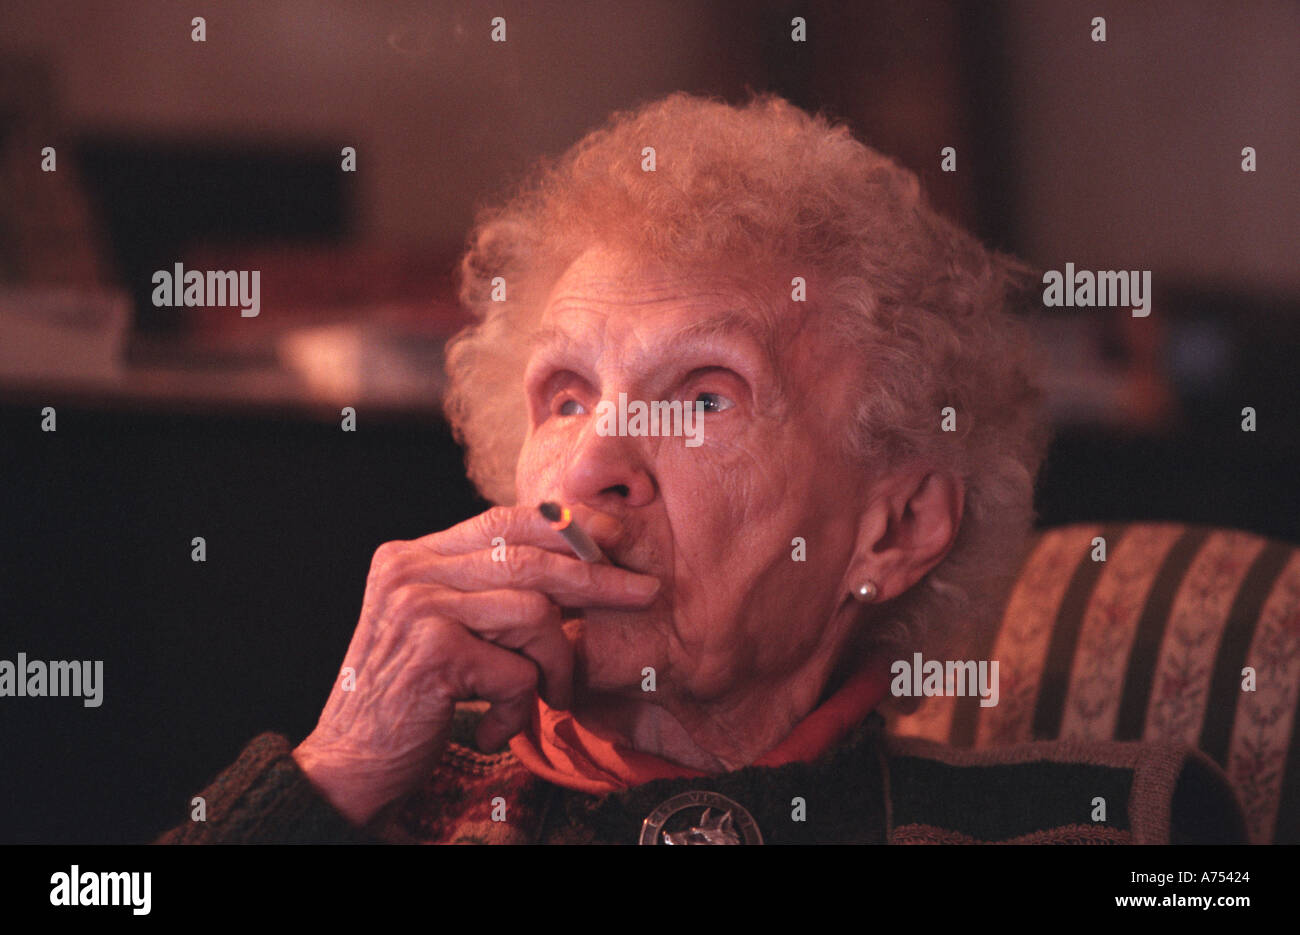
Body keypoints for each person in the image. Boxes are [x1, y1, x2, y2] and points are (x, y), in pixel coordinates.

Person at [156, 92, 1244, 845]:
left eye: (704, 396)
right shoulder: (362, 802)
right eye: (565, 395)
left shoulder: (1110, 824)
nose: (592, 462)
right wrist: (326, 773)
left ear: (897, 524)